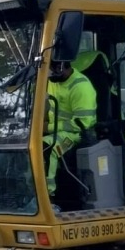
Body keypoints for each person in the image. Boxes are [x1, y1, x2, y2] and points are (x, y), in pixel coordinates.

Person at [44, 57, 97, 202]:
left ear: (60, 67)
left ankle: (47, 196)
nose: (46, 75)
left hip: (77, 135)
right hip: (55, 129)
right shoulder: (52, 80)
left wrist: (48, 128)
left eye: (49, 70)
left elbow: (83, 123)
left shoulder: (80, 87)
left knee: (46, 147)